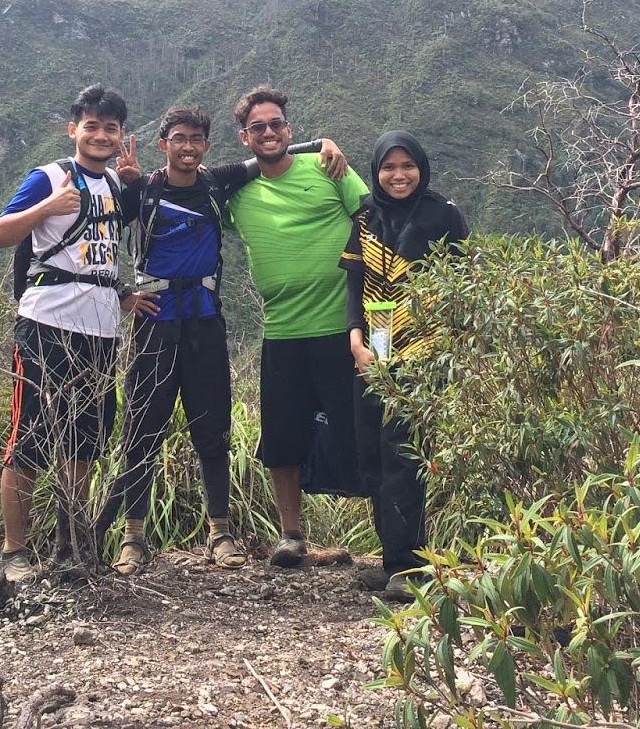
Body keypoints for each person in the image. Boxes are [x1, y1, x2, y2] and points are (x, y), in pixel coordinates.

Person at [111, 107, 345, 576]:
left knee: (212, 428)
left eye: (197, 139)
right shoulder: (143, 191)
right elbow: (93, 240)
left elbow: (273, 152)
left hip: (205, 321)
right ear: (163, 145)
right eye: (179, 138)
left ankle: (220, 532)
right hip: (155, 323)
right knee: (143, 428)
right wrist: (121, 293)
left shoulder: (217, 182)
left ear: (207, 145)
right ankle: (133, 536)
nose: (188, 147)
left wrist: (324, 144)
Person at [0, 83, 142, 582]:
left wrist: (123, 295)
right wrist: (47, 208)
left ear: (121, 135)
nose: (101, 136)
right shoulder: (48, 177)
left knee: (83, 441)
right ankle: (14, 552)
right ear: (73, 129)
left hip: (101, 329)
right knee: (28, 435)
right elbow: (0, 234)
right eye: (91, 126)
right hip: (44, 324)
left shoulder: (115, 183)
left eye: (110, 128)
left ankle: (70, 546)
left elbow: (99, 254)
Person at [223, 86, 370, 567]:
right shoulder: (237, 193)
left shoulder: (326, 167)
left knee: (364, 430)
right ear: (245, 137)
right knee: (282, 437)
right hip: (283, 330)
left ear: (289, 128)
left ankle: (391, 537)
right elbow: (190, 189)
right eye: (258, 127)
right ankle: (291, 536)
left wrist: (324, 144)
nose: (269, 132)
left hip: (345, 327)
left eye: (276, 124)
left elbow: (372, 217)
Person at [340, 131, 470, 602]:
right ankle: (392, 559)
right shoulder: (366, 217)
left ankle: (410, 567)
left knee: (403, 456)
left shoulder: (444, 215)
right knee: (373, 455)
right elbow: (354, 285)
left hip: (423, 355)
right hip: (372, 355)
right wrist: (354, 339)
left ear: (422, 168)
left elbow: (464, 285)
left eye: (407, 166)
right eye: (389, 167)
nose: (399, 176)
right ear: (376, 171)